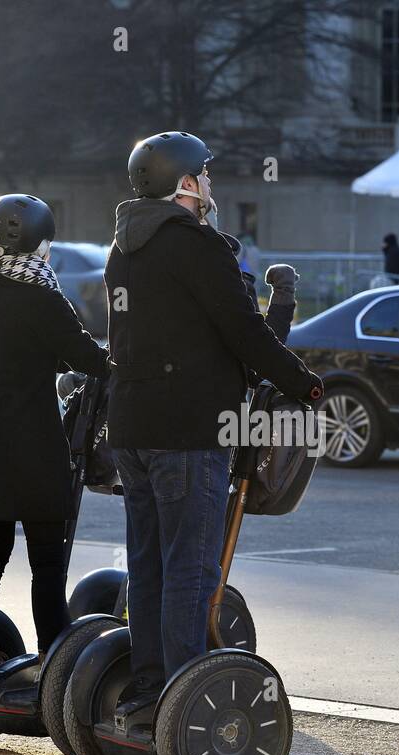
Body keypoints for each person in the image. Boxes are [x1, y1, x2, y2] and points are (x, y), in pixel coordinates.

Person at [105, 130, 323, 722]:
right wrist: (306, 384)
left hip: (131, 425)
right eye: (204, 174)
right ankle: (183, 700)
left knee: (147, 561)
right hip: (190, 428)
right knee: (192, 567)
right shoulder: (197, 246)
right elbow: (246, 336)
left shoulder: (124, 247)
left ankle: (148, 688)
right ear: (185, 183)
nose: (210, 185)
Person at [0, 194, 112, 682]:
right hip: (34, 447)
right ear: (40, 245)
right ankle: (54, 661)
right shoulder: (44, 297)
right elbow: (85, 355)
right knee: (47, 562)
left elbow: (24, 350)